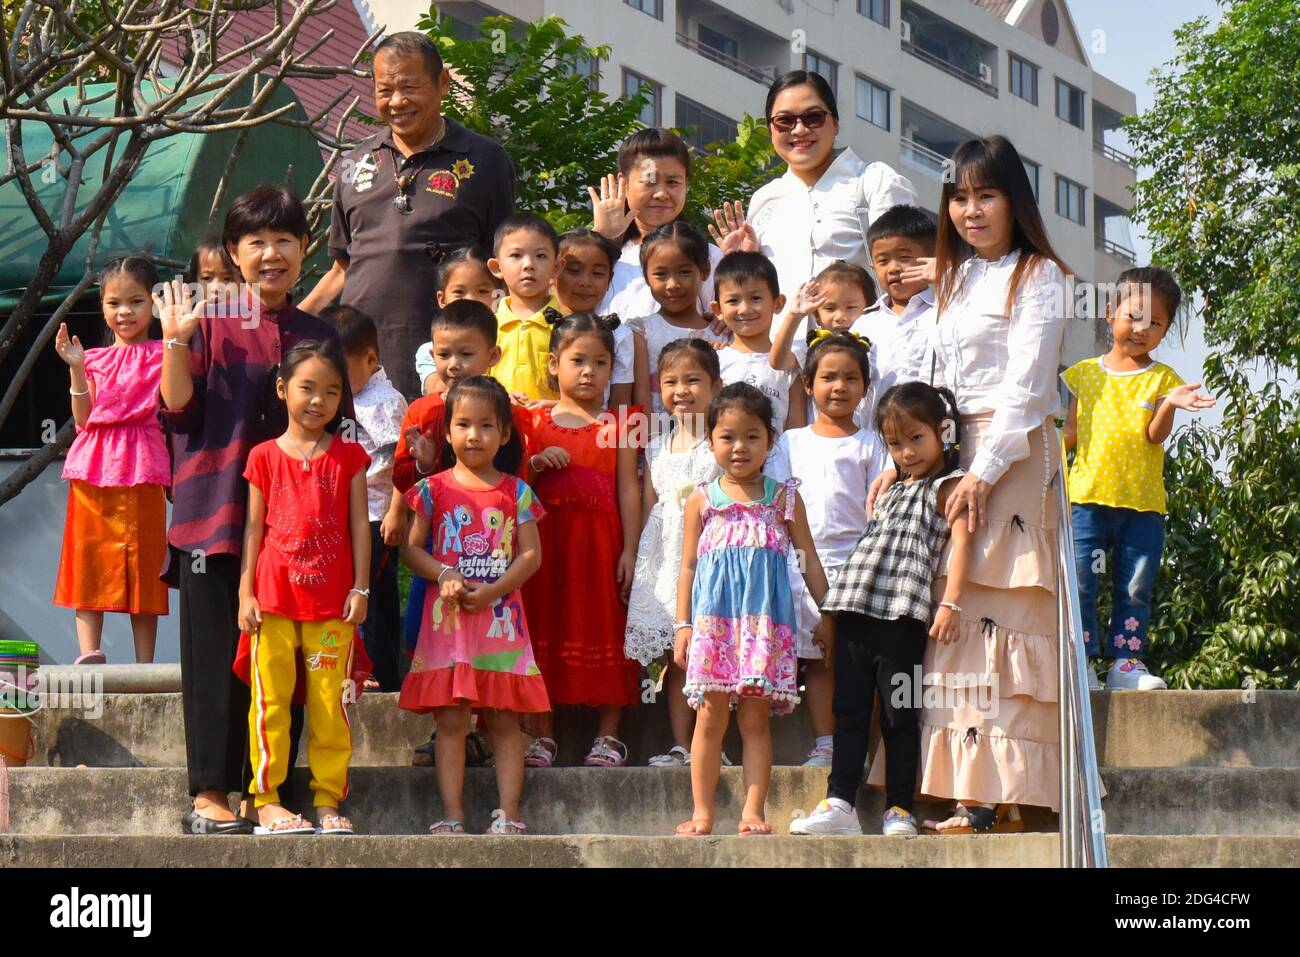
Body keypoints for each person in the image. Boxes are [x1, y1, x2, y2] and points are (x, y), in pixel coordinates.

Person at [870, 134, 1069, 832]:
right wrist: (898, 467)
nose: (972, 210)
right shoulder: (953, 280)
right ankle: (962, 788)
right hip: (951, 450)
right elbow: (927, 388)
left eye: (986, 195)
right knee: (948, 624)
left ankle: (991, 795)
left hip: (1011, 455)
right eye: (959, 197)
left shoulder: (1040, 275)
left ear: (1015, 200)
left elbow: (1028, 385)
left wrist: (983, 472)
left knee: (998, 619)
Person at [158, 184, 352, 835]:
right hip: (212, 519)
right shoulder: (208, 319)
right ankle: (211, 792)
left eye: (284, 241)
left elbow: (337, 431)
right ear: (235, 254)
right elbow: (177, 410)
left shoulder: (320, 333)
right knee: (215, 660)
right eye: (255, 242)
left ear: (305, 250)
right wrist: (175, 344)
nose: (271, 254)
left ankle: (266, 790)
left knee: (283, 669)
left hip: (297, 537)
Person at [793, 382, 969, 837]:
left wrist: (950, 603)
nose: (906, 452)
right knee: (849, 711)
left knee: (899, 715)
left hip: (904, 617)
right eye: (895, 443)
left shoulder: (949, 486)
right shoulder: (888, 488)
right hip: (854, 609)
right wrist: (831, 618)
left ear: (942, 432)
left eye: (916, 439)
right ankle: (840, 803)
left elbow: (963, 545)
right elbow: (866, 552)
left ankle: (899, 809)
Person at [304, 31, 515, 398]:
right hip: (355, 373)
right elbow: (342, 268)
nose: (397, 101)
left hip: (446, 372)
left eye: (410, 87)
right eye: (385, 90)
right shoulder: (354, 162)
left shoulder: (486, 160)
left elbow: (504, 270)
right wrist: (276, 324)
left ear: (443, 83)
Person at [673, 383, 831, 837]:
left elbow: (810, 560)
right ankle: (702, 812)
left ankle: (753, 811)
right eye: (727, 436)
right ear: (711, 440)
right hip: (713, 625)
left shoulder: (784, 498)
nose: (739, 447)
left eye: (752, 436)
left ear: (770, 441)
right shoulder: (701, 499)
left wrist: (828, 615)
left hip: (765, 627)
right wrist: (683, 625)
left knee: (755, 719)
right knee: (710, 716)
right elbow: (687, 566)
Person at [399, 376, 550, 834]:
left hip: (500, 624)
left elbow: (531, 555)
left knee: (504, 720)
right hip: (447, 625)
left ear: (505, 434)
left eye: (486, 426)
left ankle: (511, 813)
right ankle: (453, 814)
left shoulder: (517, 492)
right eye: (463, 424)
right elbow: (410, 550)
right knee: (451, 721)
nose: (474, 435)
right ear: (447, 432)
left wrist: (494, 590)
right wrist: (443, 574)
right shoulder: (432, 489)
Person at [391, 298, 533, 767]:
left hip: (496, 556)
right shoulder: (423, 410)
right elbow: (410, 480)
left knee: (492, 651)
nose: (454, 365)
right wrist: (421, 472)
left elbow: (516, 475)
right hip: (439, 550)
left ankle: (491, 731)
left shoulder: (510, 412)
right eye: (443, 354)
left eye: (466, 355)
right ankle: (446, 729)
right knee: (430, 638)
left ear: (493, 355)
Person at [237, 340, 370, 835]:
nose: (318, 400)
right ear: (282, 389)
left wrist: (362, 588)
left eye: (331, 392)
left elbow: (361, 525)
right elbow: (252, 528)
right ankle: (267, 797)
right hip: (271, 599)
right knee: (269, 699)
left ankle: (328, 800)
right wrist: (245, 593)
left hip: (333, 603)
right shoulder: (262, 457)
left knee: (329, 702)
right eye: (307, 388)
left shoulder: (350, 457)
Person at [1062, 266, 1215, 691]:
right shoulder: (1083, 374)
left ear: (1165, 330)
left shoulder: (1163, 379)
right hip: (1087, 499)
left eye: (1155, 323)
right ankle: (1085, 665)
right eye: (1134, 316)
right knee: (1081, 581)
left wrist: (1170, 405)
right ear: (1110, 313)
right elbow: (1069, 435)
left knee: (1134, 586)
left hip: (1143, 505)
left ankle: (1126, 664)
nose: (1141, 329)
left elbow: (1154, 435)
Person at [708, 70, 916, 341]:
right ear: (770, 128)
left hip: (861, 361)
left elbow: (910, 275)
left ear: (836, 123)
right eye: (784, 121)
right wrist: (742, 263)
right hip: (782, 363)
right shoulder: (764, 200)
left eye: (813, 117)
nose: (799, 129)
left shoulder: (874, 181)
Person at [520, 314, 641, 768]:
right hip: (545, 543)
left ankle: (609, 736)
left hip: (602, 543)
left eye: (601, 362)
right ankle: (540, 732)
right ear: (554, 363)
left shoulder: (624, 423)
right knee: (542, 625)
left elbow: (628, 487)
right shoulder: (531, 419)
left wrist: (630, 548)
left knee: (606, 626)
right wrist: (533, 466)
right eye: (578, 360)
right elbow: (512, 484)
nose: (589, 371)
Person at [767, 331, 888, 767]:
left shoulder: (873, 444)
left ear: (866, 386)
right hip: (798, 567)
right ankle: (826, 742)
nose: (839, 387)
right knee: (819, 658)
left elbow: (880, 508)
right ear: (807, 385)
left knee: (856, 661)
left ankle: (865, 745)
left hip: (857, 566)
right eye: (829, 377)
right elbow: (778, 501)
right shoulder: (790, 442)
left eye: (851, 378)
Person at [53, 257, 170, 664]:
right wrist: (75, 370)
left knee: (146, 563)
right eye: (113, 302)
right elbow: (84, 420)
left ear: (154, 304)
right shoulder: (93, 358)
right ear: (102, 306)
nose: (124, 312)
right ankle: (89, 653)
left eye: (135, 301)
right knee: (89, 556)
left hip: (144, 466)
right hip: (93, 468)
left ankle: (145, 665)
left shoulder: (165, 353)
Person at [624, 339, 722, 766]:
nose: (681, 390)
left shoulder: (722, 441)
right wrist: (638, 555)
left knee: (710, 652)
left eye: (693, 380)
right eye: (670, 382)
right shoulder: (658, 443)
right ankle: (682, 744)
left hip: (711, 556)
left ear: (715, 386)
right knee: (675, 653)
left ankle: (710, 744)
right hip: (664, 555)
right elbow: (650, 503)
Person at [333, 306, 409, 692]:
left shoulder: (382, 400)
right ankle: (356, 665)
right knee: (352, 594)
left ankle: (381, 672)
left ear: (371, 359)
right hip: (348, 517)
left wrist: (398, 512)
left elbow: (402, 459)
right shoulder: (341, 398)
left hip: (379, 516)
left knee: (375, 596)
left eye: (342, 372)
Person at [591, 128, 725, 319]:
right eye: (650, 181)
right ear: (624, 183)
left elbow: (723, 318)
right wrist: (599, 239)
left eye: (672, 182)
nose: (661, 193)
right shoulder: (603, 254)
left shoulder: (708, 255)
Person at [624, 222, 731, 418]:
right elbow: (641, 395)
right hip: (659, 442)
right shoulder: (640, 331)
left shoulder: (722, 333)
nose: (672, 284)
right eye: (660, 274)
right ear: (647, 277)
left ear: (705, 270)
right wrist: (652, 445)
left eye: (684, 272)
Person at [851, 204, 940, 425]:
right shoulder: (863, 325)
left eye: (904, 257)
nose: (893, 268)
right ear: (872, 265)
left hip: (933, 435)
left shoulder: (944, 313)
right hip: (876, 441)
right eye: (883, 261)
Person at [555, 228, 649, 411]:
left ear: (609, 279)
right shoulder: (534, 323)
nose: (585, 282)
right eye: (574, 271)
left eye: (597, 274)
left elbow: (620, 402)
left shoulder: (619, 334)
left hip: (599, 434)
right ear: (554, 270)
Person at [710, 252, 802, 435]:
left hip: (776, 462)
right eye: (733, 301)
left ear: (778, 303)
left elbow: (795, 433)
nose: (744, 309)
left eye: (755, 299)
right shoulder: (713, 361)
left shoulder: (791, 364)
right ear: (718, 309)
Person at [489, 213, 564, 402]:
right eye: (516, 255)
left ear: (556, 268)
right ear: (497, 267)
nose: (529, 264)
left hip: (552, 427)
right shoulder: (488, 326)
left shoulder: (567, 326)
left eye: (540, 256)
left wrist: (555, 406)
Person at [414, 244, 502, 396]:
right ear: (442, 299)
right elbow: (438, 389)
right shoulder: (431, 350)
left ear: (498, 296)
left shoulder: (509, 338)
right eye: (459, 292)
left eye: (482, 291)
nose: (471, 299)